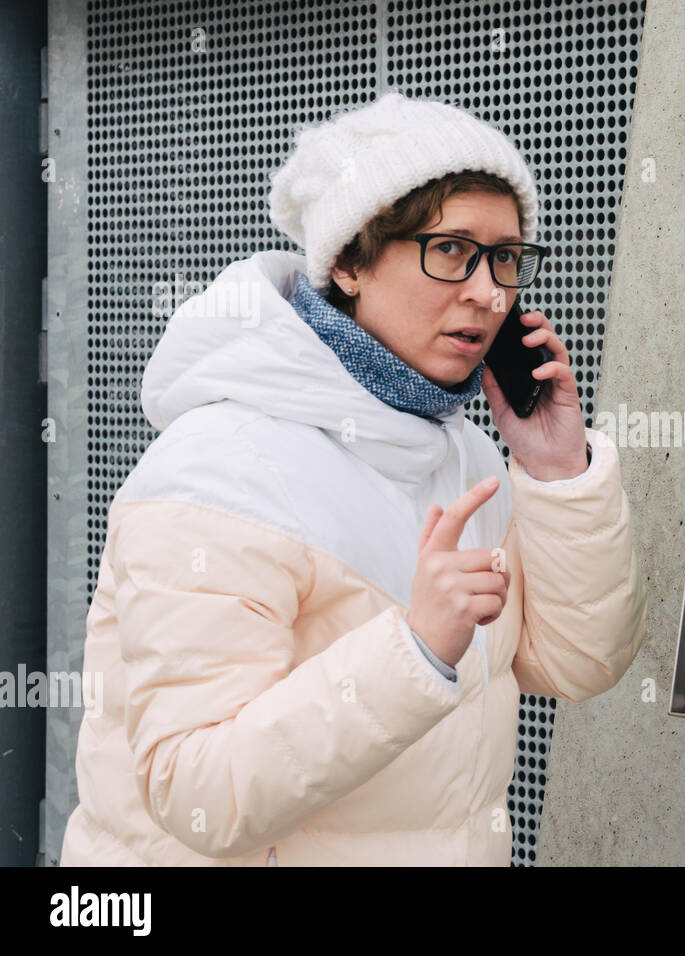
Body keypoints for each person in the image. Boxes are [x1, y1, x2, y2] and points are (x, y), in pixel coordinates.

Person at [59, 91, 647, 866]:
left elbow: (579, 663)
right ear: (347, 260)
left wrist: (557, 469)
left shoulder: (463, 454)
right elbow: (197, 793)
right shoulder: (218, 468)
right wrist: (415, 650)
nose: (489, 291)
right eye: (451, 250)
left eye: (507, 257)